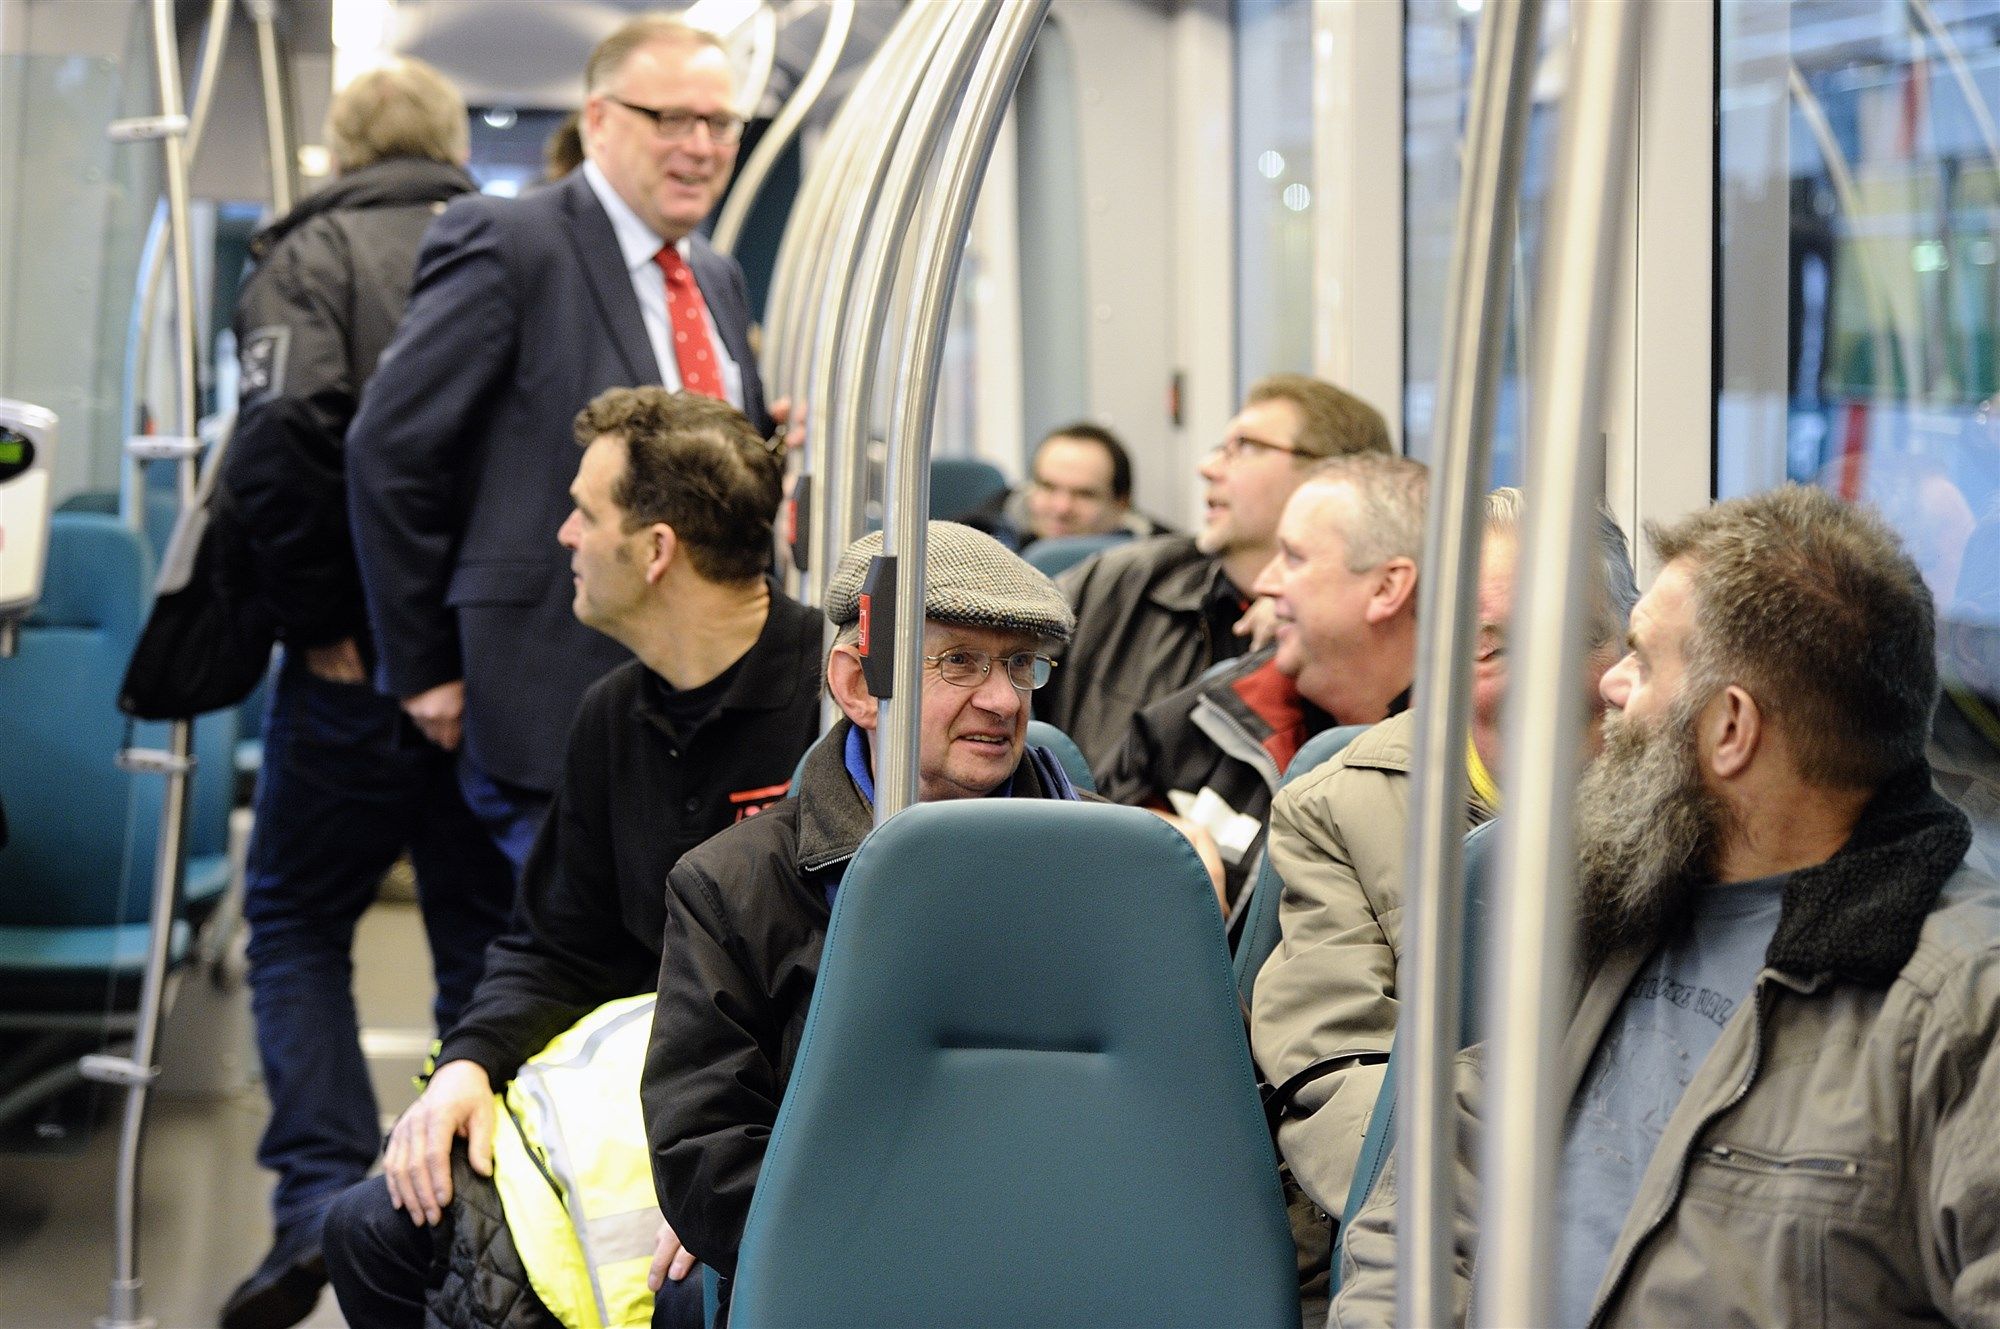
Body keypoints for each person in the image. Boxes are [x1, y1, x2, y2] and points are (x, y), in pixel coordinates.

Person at [1333, 486, 2000, 1329]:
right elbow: (1438, 1197)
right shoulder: (1623, 896)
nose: (1609, 683)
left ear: (1731, 729)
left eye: (1643, 661)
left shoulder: (1961, 1005)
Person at [321, 388, 821, 1329]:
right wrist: (466, 1062)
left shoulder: (831, 709)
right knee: (370, 1225)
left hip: (765, 1119)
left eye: (586, 513)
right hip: (627, 1105)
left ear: (657, 549)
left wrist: (729, 1173)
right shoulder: (613, 716)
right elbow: (558, 945)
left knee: (690, 1295)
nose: (563, 535)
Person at [214, 60, 518, 1329]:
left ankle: (321, 1206)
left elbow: (284, 447)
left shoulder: (308, 255)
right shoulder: (511, 248)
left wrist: (334, 626)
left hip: (348, 671)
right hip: (485, 668)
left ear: (338, 148)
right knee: (482, 949)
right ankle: (457, 1237)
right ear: (451, 144)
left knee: (292, 924)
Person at [347, 15, 775, 873]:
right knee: (555, 969)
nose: (702, 146)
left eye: (720, 123)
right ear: (600, 120)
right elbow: (390, 450)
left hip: (697, 698)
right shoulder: (510, 242)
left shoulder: (715, 274)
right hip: (543, 685)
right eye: (674, 120)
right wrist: (423, 665)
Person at [643, 522, 1082, 1310]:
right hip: (851, 1272)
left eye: (1020, 664)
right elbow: (707, 1153)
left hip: (1064, 1261)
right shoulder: (736, 888)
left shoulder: (1114, 874)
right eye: (960, 661)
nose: (1003, 698)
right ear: (856, 686)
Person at [1251, 489, 1636, 1239]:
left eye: (1575, 636)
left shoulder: (1695, 801)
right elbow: (1338, 1085)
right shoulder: (1339, 810)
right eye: (1492, 645)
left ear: (1628, 646)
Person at [1095, 454, 1428, 908]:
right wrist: (1151, 835)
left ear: (1387, 588)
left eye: (1293, 557)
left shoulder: (1477, 762)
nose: (1267, 584)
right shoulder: (1209, 716)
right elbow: (1095, 821)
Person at [1037, 375, 1392, 768]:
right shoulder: (1127, 580)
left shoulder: (1374, 633)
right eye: (1219, 448)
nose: (1207, 467)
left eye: (1244, 447)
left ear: (1331, 478)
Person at [963, 423, 1172, 550]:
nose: (1061, 508)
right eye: (1048, 487)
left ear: (1122, 503)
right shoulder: (977, 536)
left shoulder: (1159, 560)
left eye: (1085, 494)